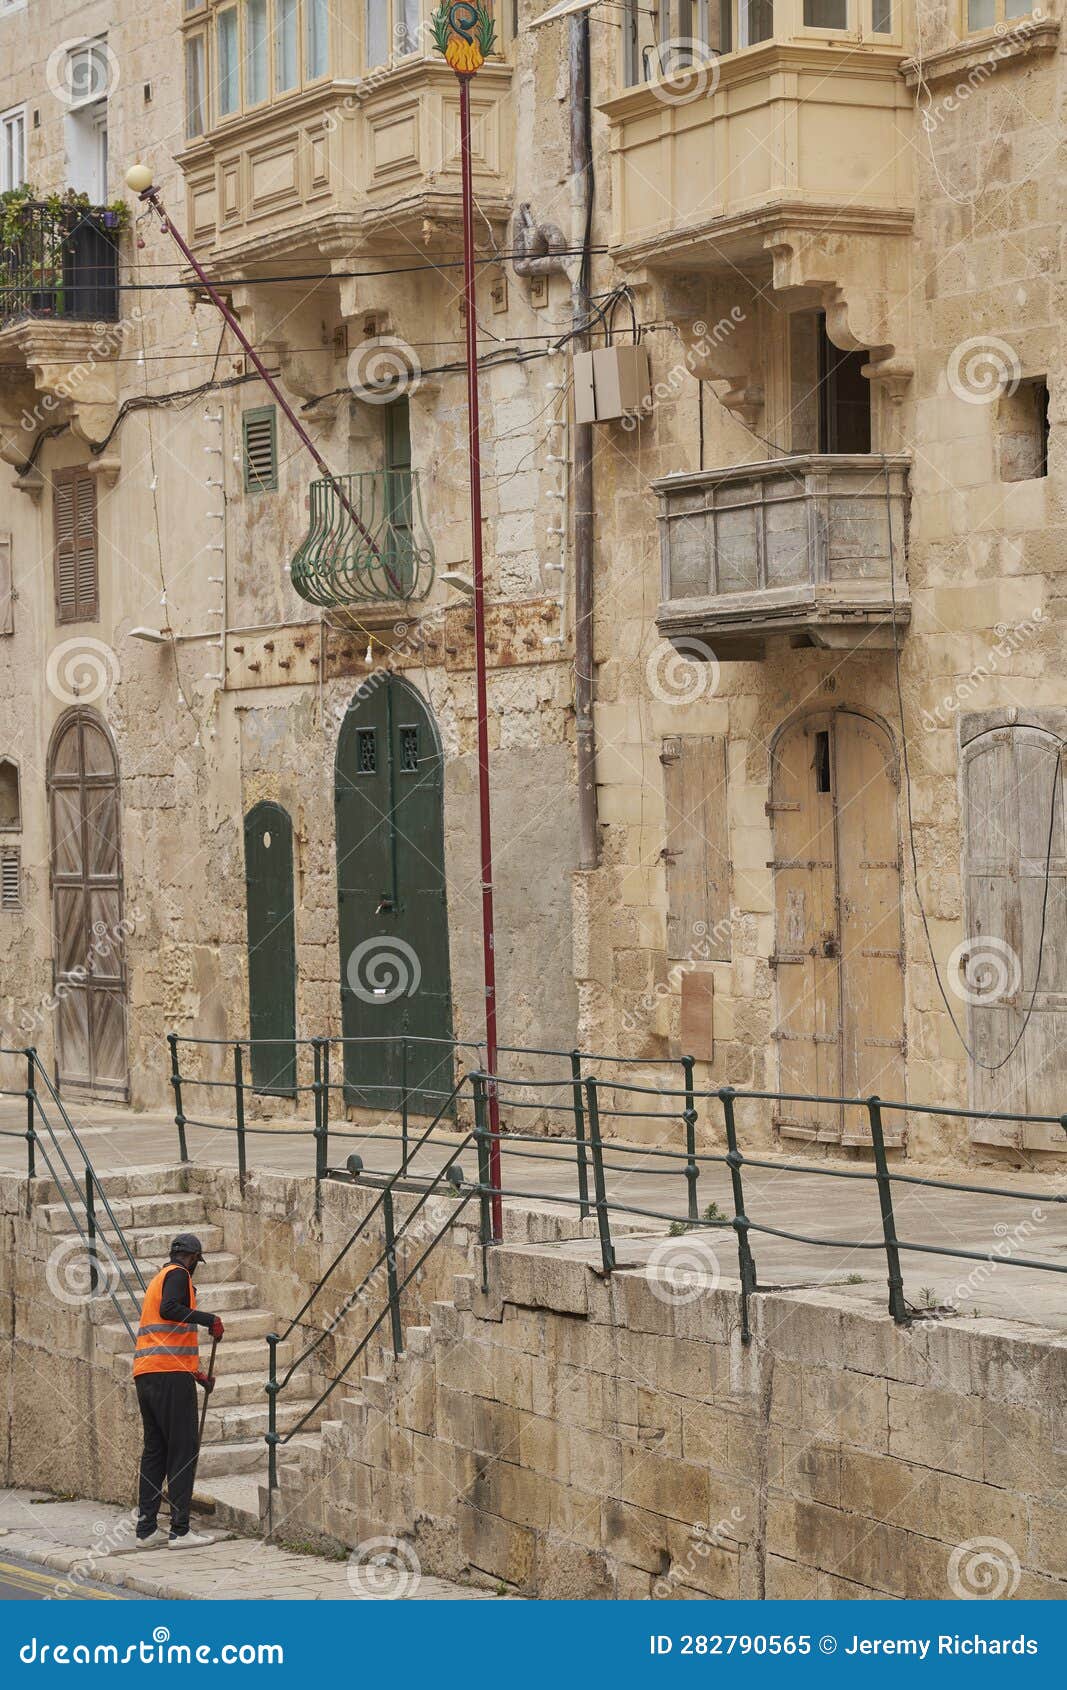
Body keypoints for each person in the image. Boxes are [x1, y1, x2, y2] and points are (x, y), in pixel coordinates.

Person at [132, 1231, 225, 1548]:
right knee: (184, 1449)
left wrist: (198, 1375)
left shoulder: (159, 1278)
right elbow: (170, 1309)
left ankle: (145, 1530)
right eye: (196, 1261)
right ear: (192, 1258)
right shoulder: (177, 1274)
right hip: (169, 1377)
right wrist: (208, 1318)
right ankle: (180, 1530)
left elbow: (166, 1339)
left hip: (148, 1375)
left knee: (156, 1451)